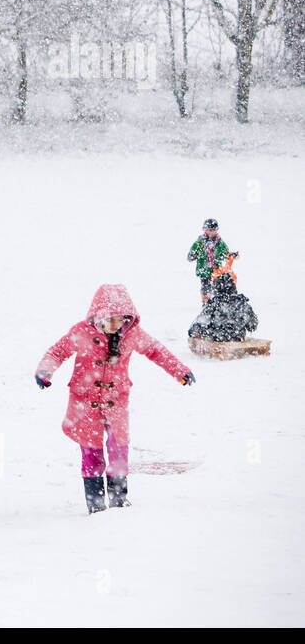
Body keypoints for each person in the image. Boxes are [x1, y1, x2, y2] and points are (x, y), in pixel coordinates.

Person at [36, 284, 195, 514]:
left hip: (116, 401)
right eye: (111, 319)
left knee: (118, 451)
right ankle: (96, 505)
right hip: (85, 403)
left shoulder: (131, 335)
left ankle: (119, 503)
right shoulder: (82, 332)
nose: (116, 325)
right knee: (91, 455)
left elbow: (156, 351)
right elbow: (57, 352)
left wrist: (180, 371)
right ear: (98, 316)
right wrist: (45, 370)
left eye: (121, 320)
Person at [188, 272, 258, 342]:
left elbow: (200, 323)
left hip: (218, 339)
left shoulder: (214, 304)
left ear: (216, 290)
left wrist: (196, 332)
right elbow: (252, 326)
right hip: (237, 338)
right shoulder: (243, 304)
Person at [187, 218, 233, 305]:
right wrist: (193, 256)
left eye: (214, 230)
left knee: (218, 286)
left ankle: (218, 301)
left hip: (216, 270)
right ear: (205, 230)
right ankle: (206, 302)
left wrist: (230, 255)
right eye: (210, 230)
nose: (212, 232)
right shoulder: (200, 242)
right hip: (204, 269)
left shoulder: (220, 242)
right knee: (205, 287)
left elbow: (225, 254)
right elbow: (191, 253)